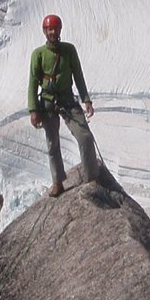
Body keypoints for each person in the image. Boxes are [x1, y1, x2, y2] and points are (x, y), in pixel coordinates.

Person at [28, 13, 99, 196]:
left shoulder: (69, 50)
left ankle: (91, 177)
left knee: (85, 136)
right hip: (48, 102)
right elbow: (33, 83)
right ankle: (57, 182)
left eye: (55, 28)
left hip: (67, 99)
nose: (53, 32)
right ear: (45, 31)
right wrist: (34, 110)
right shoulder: (38, 55)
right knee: (52, 144)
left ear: (60, 30)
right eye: (50, 29)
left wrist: (86, 99)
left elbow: (78, 75)